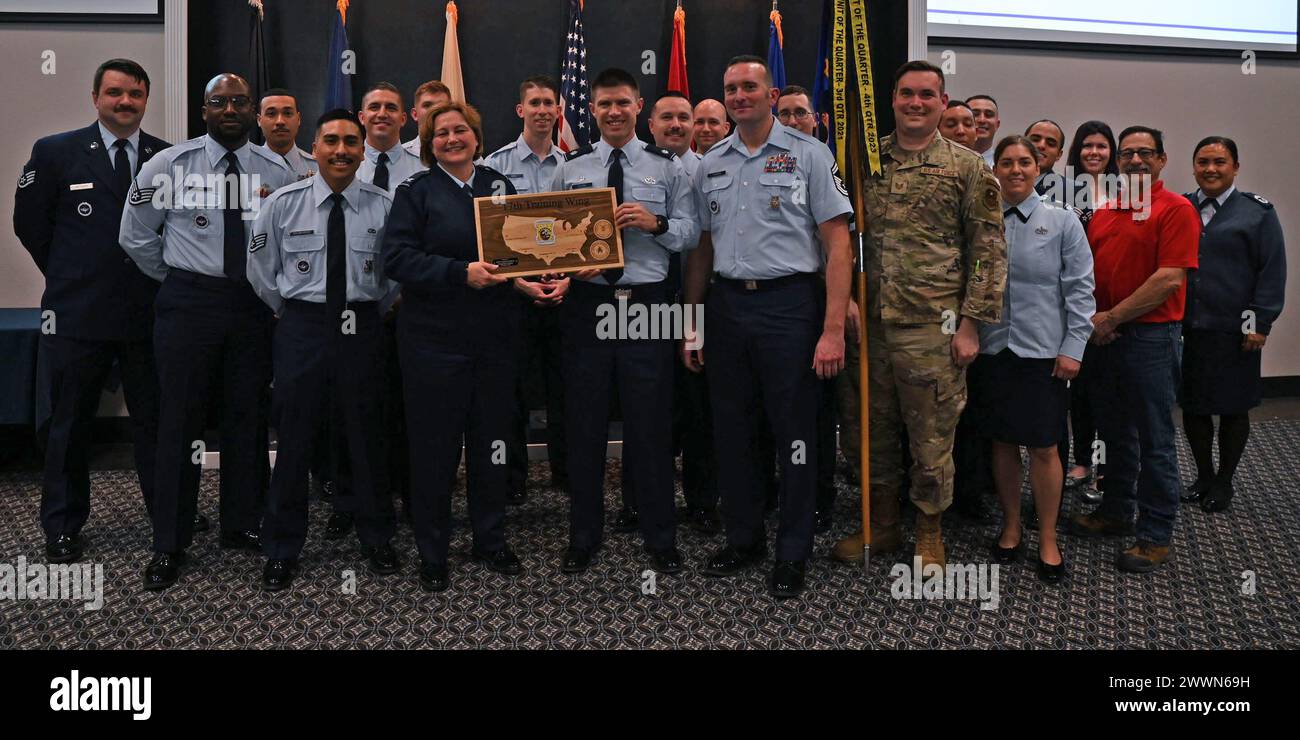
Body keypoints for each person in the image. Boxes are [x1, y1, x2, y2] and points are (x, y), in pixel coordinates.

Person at [684, 55, 851, 598]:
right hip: (728, 308)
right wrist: (692, 321)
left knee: (795, 433)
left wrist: (830, 330)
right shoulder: (712, 162)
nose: (739, 96)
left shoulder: (809, 153)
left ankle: (793, 549)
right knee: (733, 431)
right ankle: (745, 537)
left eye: (749, 86)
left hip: (790, 306)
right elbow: (702, 247)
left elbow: (838, 244)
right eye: (730, 88)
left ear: (771, 92)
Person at [119, 73, 294, 590]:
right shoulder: (168, 165)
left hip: (252, 307)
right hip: (188, 303)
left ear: (253, 111)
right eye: (220, 102)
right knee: (180, 421)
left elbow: (284, 240)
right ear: (204, 110)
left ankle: (242, 522)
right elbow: (135, 237)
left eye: (240, 101)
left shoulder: (276, 169)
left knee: (248, 415)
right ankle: (169, 541)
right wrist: (180, 277)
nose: (231, 109)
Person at [831, 60, 1007, 569]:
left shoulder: (968, 167)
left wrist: (972, 324)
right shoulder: (864, 161)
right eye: (906, 93)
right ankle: (883, 525)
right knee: (870, 431)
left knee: (931, 437)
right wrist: (843, 299)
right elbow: (839, 236)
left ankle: (929, 529)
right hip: (870, 325)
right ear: (891, 98)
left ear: (942, 100)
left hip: (934, 327)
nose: (915, 102)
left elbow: (987, 250)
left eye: (926, 95)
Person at [14, 58, 170, 564]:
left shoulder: (166, 158)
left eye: (135, 94)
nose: (125, 102)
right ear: (96, 97)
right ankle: (61, 524)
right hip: (77, 315)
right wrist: (70, 275)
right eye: (115, 93)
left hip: (148, 316)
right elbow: (31, 227)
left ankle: (166, 515)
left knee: (156, 423)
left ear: (146, 99)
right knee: (68, 425)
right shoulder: (55, 152)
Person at [382, 101, 535, 592]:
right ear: (429, 143)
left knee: (492, 443)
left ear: (476, 135)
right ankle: (433, 548)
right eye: (442, 132)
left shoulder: (499, 185)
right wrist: (458, 273)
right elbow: (397, 259)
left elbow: (514, 252)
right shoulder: (414, 193)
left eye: (461, 130)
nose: (452, 138)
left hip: (494, 340)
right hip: (434, 342)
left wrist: (530, 280)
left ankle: (489, 539)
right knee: (435, 450)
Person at [551, 68, 698, 575]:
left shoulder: (669, 166)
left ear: (640, 107)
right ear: (591, 110)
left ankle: (660, 537)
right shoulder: (571, 168)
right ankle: (583, 536)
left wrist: (653, 223)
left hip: (648, 304)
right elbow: (551, 239)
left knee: (650, 424)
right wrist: (569, 264)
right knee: (584, 425)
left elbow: (689, 234)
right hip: (589, 307)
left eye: (623, 103)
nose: (614, 112)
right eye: (604, 104)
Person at [247, 109, 401, 590]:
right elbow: (260, 268)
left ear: (362, 150)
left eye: (350, 142)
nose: (341, 150)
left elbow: (394, 278)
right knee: (293, 439)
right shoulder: (284, 203)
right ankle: (282, 545)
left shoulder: (384, 204)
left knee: (366, 434)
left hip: (364, 328)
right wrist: (292, 312)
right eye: (331, 141)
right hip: (303, 328)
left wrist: (373, 308)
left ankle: (376, 536)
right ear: (313, 148)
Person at [1070, 125, 1200, 573]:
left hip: (1151, 339)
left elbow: (1168, 280)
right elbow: (1087, 273)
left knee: (1155, 439)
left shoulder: (1177, 208)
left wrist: (1111, 318)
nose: (1136, 160)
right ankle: (1116, 512)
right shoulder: (1107, 210)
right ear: (1118, 162)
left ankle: (1155, 534)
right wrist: (1096, 320)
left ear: (1162, 160)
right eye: (1127, 154)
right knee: (1114, 433)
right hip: (1105, 338)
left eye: (1146, 153)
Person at [979, 135, 1094, 584]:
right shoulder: (982, 220)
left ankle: (1047, 535)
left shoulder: (1062, 221)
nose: (1015, 170)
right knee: (1003, 442)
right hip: (993, 349)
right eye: (1006, 162)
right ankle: (1010, 525)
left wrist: (1073, 348)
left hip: (1044, 354)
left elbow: (1081, 291)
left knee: (1044, 446)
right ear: (995, 169)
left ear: (1038, 168)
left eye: (1024, 162)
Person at [1180, 136, 1286, 512]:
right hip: (1188, 327)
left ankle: (1225, 481)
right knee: (1193, 407)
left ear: (1235, 167)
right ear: (1193, 166)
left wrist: (1259, 322)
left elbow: (1271, 270)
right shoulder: (1182, 207)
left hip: (1236, 330)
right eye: (1203, 161)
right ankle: (1204, 475)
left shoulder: (1257, 212)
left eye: (1220, 162)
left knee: (1232, 408)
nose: (1211, 169)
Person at [484, 75, 571, 503]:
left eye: (549, 103)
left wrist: (566, 279)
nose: (542, 110)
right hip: (513, 296)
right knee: (511, 390)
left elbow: (580, 231)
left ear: (559, 111)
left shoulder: (573, 165)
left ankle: (566, 471)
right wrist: (520, 284)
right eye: (533, 102)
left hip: (564, 292)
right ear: (520, 110)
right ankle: (513, 478)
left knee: (566, 388)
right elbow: (489, 237)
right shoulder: (496, 166)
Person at [353, 81, 428, 538]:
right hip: (358, 309)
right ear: (362, 117)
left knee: (411, 408)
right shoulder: (338, 161)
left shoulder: (423, 170)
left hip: (412, 306)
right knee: (358, 406)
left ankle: (412, 495)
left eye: (391, 108)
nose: (382, 114)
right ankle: (357, 498)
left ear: (406, 118)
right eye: (374, 107)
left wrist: (403, 292)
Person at [777, 82, 850, 531]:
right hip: (786, 301)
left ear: (816, 119)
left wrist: (843, 311)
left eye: (799, 113)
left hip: (819, 301)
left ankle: (819, 498)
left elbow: (843, 246)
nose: (791, 121)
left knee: (814, 414)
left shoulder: (821, 161)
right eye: (783, 113)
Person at [649, 90, 718, 534]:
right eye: (667, 118)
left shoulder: (710, 171)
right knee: (650, 405)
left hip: (699, 302)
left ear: (693, 126)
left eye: (683, 118)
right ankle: (642, 502)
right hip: (649, 302)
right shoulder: (636, 167)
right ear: (650, 124)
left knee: (699, 409)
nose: (676, 125)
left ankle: (701, 501)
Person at [1060, 120, 1120, 498]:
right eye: (1086, 146)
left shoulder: (1128, 193)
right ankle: (1082, 460)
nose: (1094, 152)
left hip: (1114, 306)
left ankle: (1107, 469)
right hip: (1073, 302)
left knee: (1111, 396)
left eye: (1101, 146)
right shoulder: (1059, 189)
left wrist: (1114, 315)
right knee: (1079, 392)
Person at [256, 88, 315, 180]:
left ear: (298, 119)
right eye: (271, 114)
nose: (280, 121)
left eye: (287, 113)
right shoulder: (245, 167)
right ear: (259, 120)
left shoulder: (318, 168)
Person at [402, 79, 451, 157]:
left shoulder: (469, 157)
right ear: (415, 114)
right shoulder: (400, 157)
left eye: (441, 106)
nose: (434, 110)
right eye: (427, 105)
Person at [1026, 119, 1067, 199]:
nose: (1041, 145)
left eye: (1051, 144)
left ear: (1059, 155)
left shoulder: (1074, 192)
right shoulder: (1001, 183)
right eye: (1035, 140)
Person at [966, 94, 1001, 168]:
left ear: (997, 124)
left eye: (988, 115)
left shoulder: (1003, 165)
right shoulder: (946, 161)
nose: (982, 120)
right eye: (975, 114)